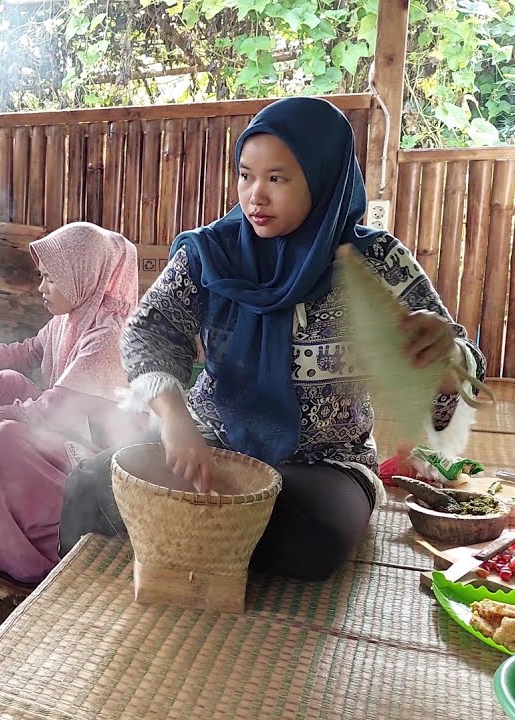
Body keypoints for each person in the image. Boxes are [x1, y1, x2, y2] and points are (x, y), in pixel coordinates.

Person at [58, 96, 487, 580]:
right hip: (208, 438)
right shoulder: (211, 253)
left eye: (277, 178)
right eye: (246, 175)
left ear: (324, 179)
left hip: (323, 460)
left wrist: (444, 356)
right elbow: (150, 330)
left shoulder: (375, 262)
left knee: (309, 539)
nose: (255, 195)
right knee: (89, 487)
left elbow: (452, 371)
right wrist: (174, 417)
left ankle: (191, 556)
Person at [0, 222, 140, 583]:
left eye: (51, 279)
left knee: (7, 436)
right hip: (67, 428)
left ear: (82, 276)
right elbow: (29, 351)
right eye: (42, 276)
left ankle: (27, 553)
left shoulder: (108, 335)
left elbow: (50, 410)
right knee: (4, 382)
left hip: (95, 456)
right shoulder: (70, 318)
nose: (42, 288)